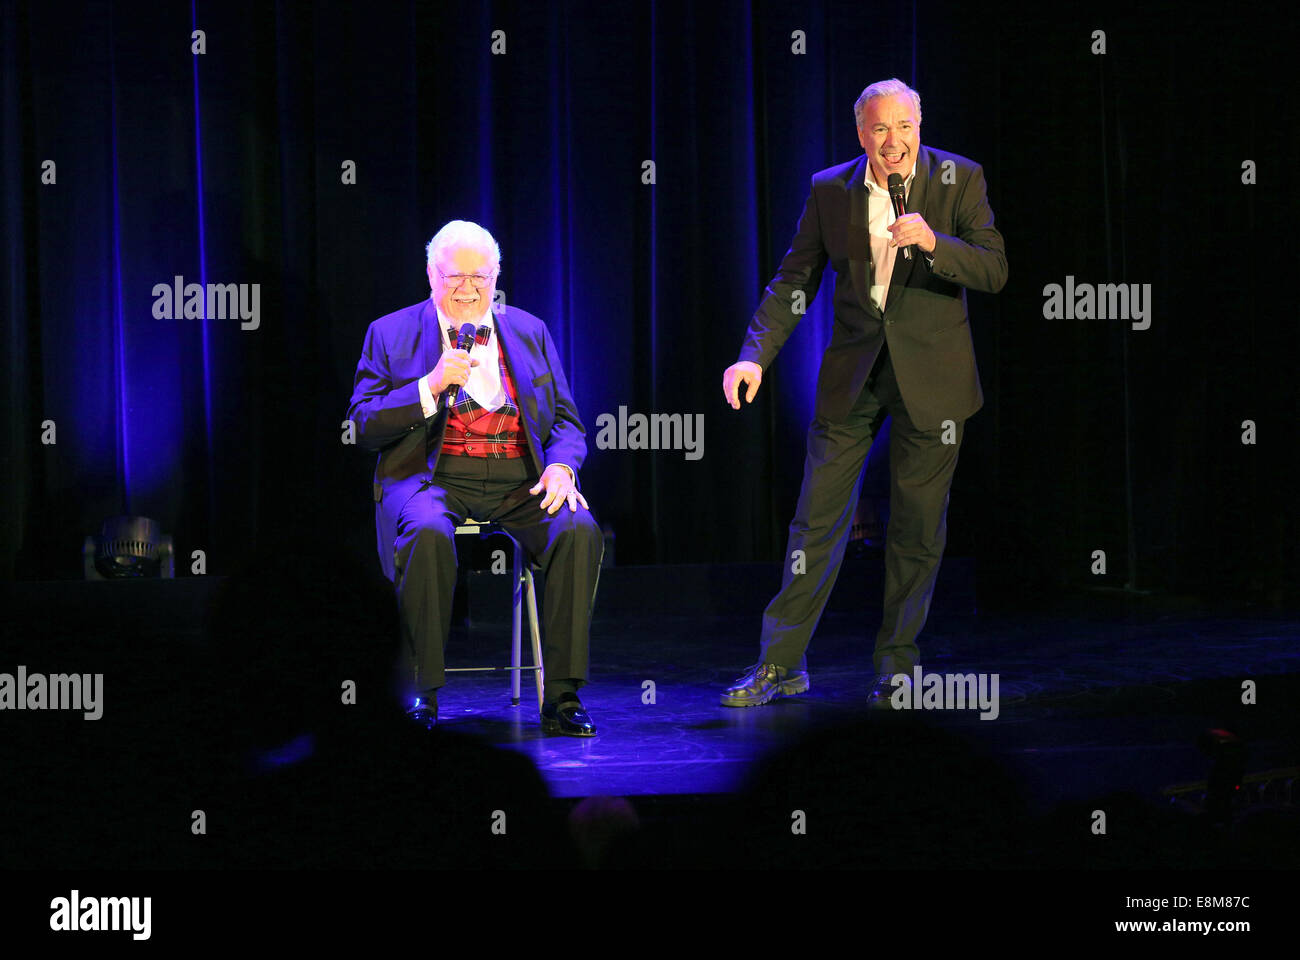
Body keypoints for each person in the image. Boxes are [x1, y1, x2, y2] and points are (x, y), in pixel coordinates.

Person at [720, 78, 1006, 709]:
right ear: (861, 134)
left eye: (904, 126)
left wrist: (934, 243)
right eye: (880, 128)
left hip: (935, 381)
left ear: (919, 126)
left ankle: (898, 665)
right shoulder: (831, 189)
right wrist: (753, 356)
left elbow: (994, 267)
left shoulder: (961, 178)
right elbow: (793, 279)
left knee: (917, 527)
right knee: (814, 522)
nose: (893, 141)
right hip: (854, 376)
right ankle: (780, 664)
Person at [347, 220, 603, 735]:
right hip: (431, 478)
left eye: (480, 278)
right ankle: (423, 692)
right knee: (425, 531)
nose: (467, 289)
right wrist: (429, 386)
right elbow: (361, 425)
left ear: (497, 275)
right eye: (454, 277)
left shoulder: (529, 330)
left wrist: (560, 465)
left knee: (579, 528)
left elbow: (568, 423)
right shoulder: (390, 332)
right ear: (430, 274)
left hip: (519, 479)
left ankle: (562, 696)